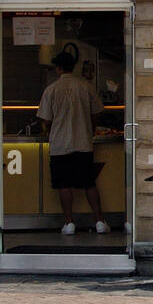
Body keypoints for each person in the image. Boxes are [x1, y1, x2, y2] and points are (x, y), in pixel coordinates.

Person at [38, 49, 108, 235]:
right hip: (83, 142)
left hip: (60, 145)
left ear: (58, 68)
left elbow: (46, 119)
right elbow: (97, 112)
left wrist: (50, 128)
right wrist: (90, 130)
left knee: (64, 185)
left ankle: (69, 223)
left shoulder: (51, 89)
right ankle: (99, 221)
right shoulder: (85, 86)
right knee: (89, 183)